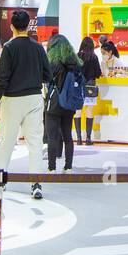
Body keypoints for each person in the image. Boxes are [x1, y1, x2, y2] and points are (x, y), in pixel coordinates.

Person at [0, 9, 52, 199]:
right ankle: (36, 184)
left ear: (12, 27)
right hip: (34, 98)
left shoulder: (9, 48)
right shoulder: (37, 48)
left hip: (12, 99)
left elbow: (2, 78)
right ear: (29, 26)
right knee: (35, 143)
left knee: (7, 142)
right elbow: (48, 74)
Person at [43, 34, 82, 175]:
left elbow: (45, 79)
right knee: (68, 135)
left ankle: (52, 167)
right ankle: (68, 166)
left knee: (52, 136)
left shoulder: (53, 63)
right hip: (69, 103)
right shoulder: (76, 63)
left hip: (54, 103)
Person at [76, 36, 101, 145]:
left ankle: (78, 139)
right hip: (90, 86)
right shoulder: (94, 57)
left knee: (77, 111)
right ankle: (88, 138)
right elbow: (98, 73)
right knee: (89, 112)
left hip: (78, 86)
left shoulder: (77, 56)